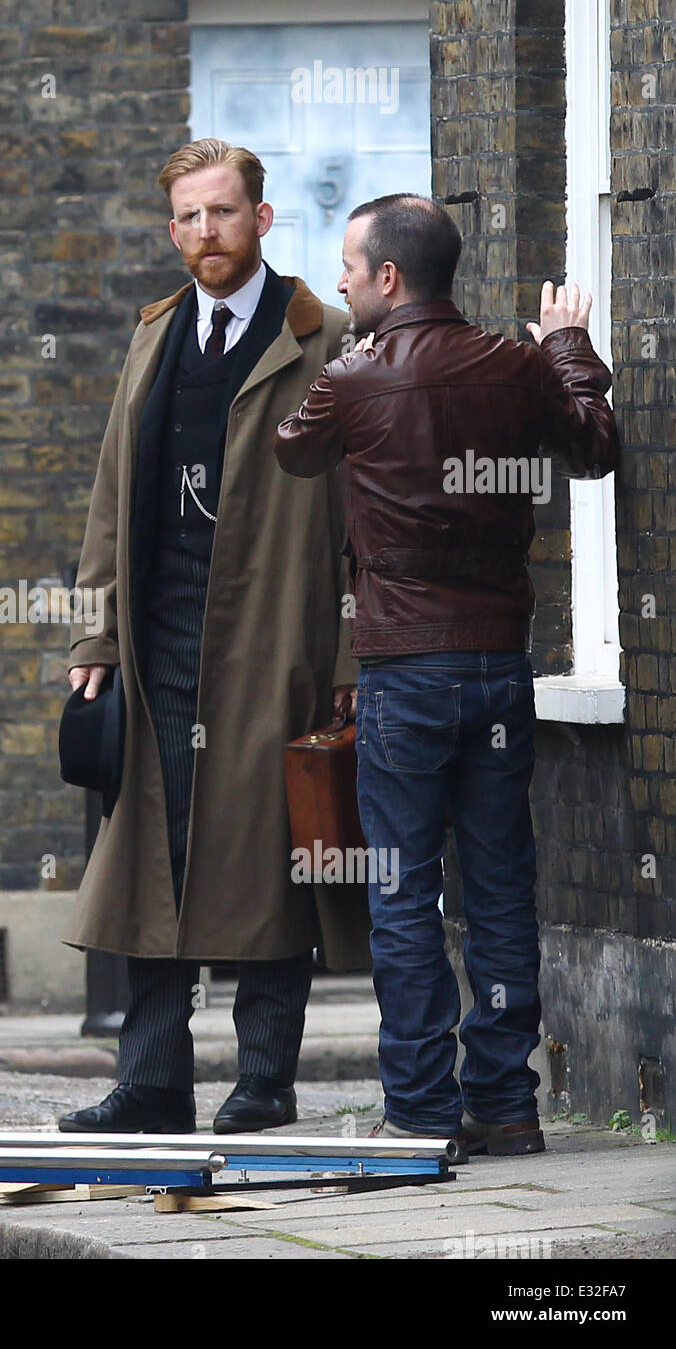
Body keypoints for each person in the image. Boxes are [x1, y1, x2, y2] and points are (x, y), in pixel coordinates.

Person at [275, 194, 618, 1162]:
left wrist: (345, 363)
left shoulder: (350, 377)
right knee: (502, 888)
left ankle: (421, 1107)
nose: (339, 279)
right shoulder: (514, 366)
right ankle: (505, 1103)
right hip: (498, 667)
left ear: (387, 277)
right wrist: (567, 346)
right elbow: (596, 446)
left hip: (403, 674)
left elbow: (288, 448)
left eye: (349, 265)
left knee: (400, 887)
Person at [59, 138, 370, 1137]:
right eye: (188, 217)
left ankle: (263, 1080)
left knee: (267, 862)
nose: (206, 233)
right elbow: (112, 502)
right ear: (171, 231)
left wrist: (346, 660)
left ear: (262, 219)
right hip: (158, 649)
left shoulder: (323, 338)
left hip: (277, 643)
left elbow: (367, 521)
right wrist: (95, 636)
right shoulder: (152, 336)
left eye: (223, 213)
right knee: (151, 862)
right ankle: (152, 1081)